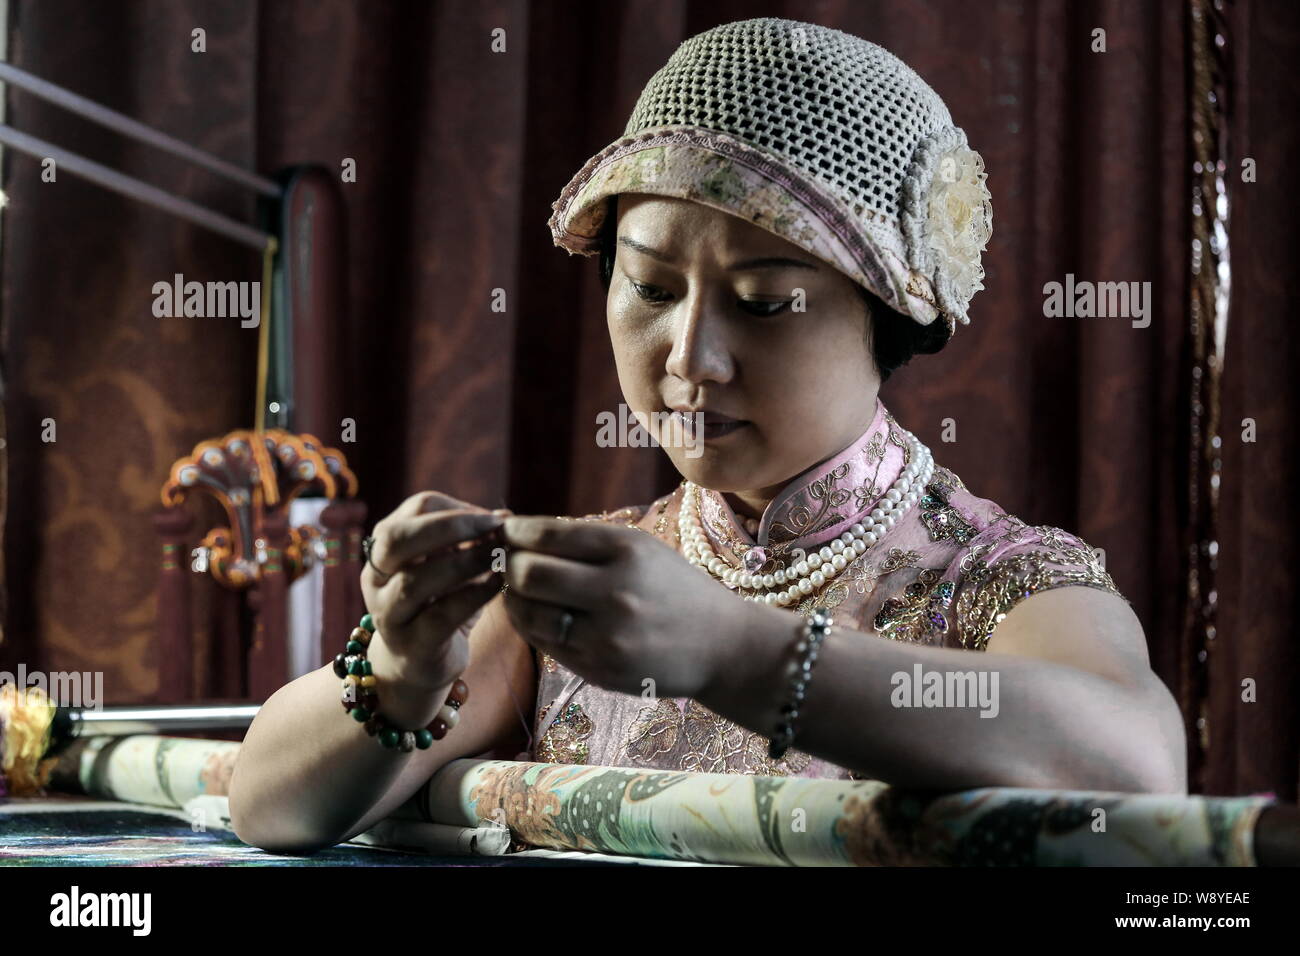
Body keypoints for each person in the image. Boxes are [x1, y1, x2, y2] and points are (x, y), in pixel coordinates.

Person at [229, 17, 1185, 855]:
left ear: (888, 320)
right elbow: (271, 807)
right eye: (648, 287)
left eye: (764, 303)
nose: (690, 356)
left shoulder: (991, 579)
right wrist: (399, 671)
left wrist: (735, 652)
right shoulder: (581, 594)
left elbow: (1137, 772)